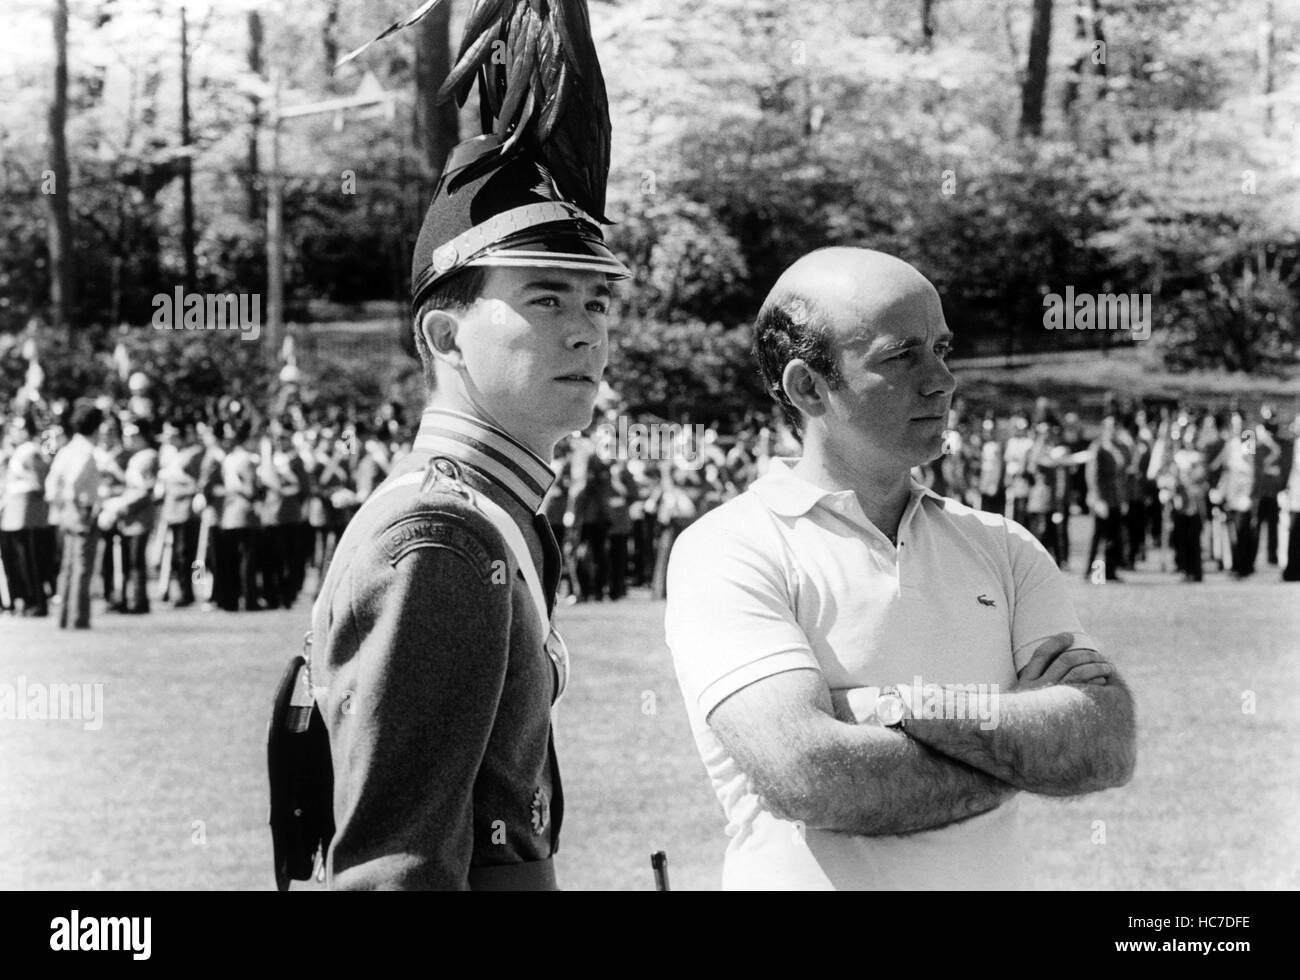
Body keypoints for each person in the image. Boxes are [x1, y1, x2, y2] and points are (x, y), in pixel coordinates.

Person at [664, 247, 1136, 890]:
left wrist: (895, 708)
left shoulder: (1004, 545)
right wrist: (1017, 742)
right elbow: (811, 778)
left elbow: (1101, 743)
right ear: (808, 387)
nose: (942, 379)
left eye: (943, 348)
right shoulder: (729, 547)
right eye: (901, 355)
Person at [302, 1, 630, 890]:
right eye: (547, 300)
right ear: (446, 339)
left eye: (598, 303)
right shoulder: (443, 537)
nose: (587, 332)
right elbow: (394, 875)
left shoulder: (491, 512)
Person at [45, 400, 103, 628]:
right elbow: (74, 482)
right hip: (82, 510)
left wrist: (61, 505)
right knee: (82, 567)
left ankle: (65, 617)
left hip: (65, 513)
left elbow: (52, 483)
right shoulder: (87, 452)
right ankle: (78, 618)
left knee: (68, 567)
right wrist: (79, 507)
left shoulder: (67, 449)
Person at [0, 413, 51, 616]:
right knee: (21, 561)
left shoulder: (30, 450)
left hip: (28, 512)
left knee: (31, 560)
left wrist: (20, 475)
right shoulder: (19, 450)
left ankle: (37, 601)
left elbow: (40, 481)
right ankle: (28, 600)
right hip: (17, 511)